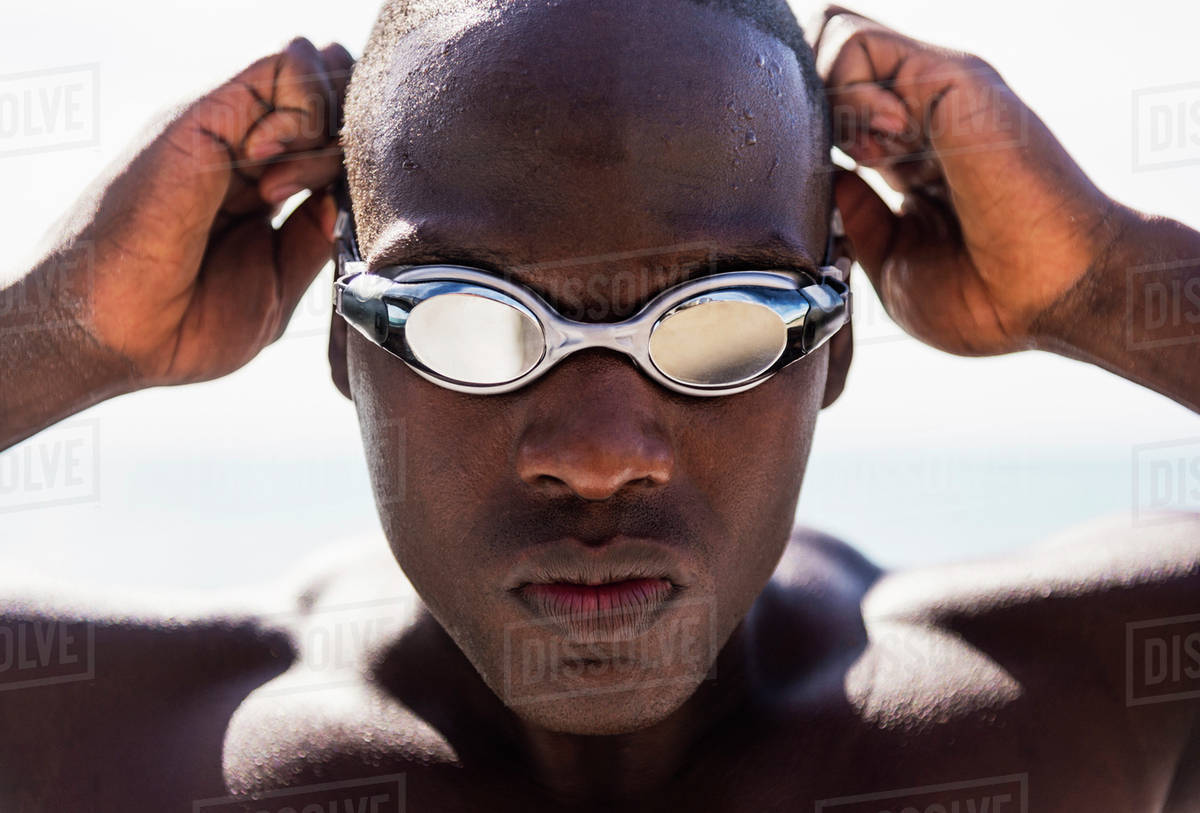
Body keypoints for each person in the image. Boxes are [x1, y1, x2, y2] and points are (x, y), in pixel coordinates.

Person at [1, 1, 1197, 810]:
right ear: (345, 342)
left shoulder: (1057, 710)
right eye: (470, 319)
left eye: (721, 320)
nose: (596, 454)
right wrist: (50, 334)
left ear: (833, 351)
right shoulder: (120, 746)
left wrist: (1105, 281)